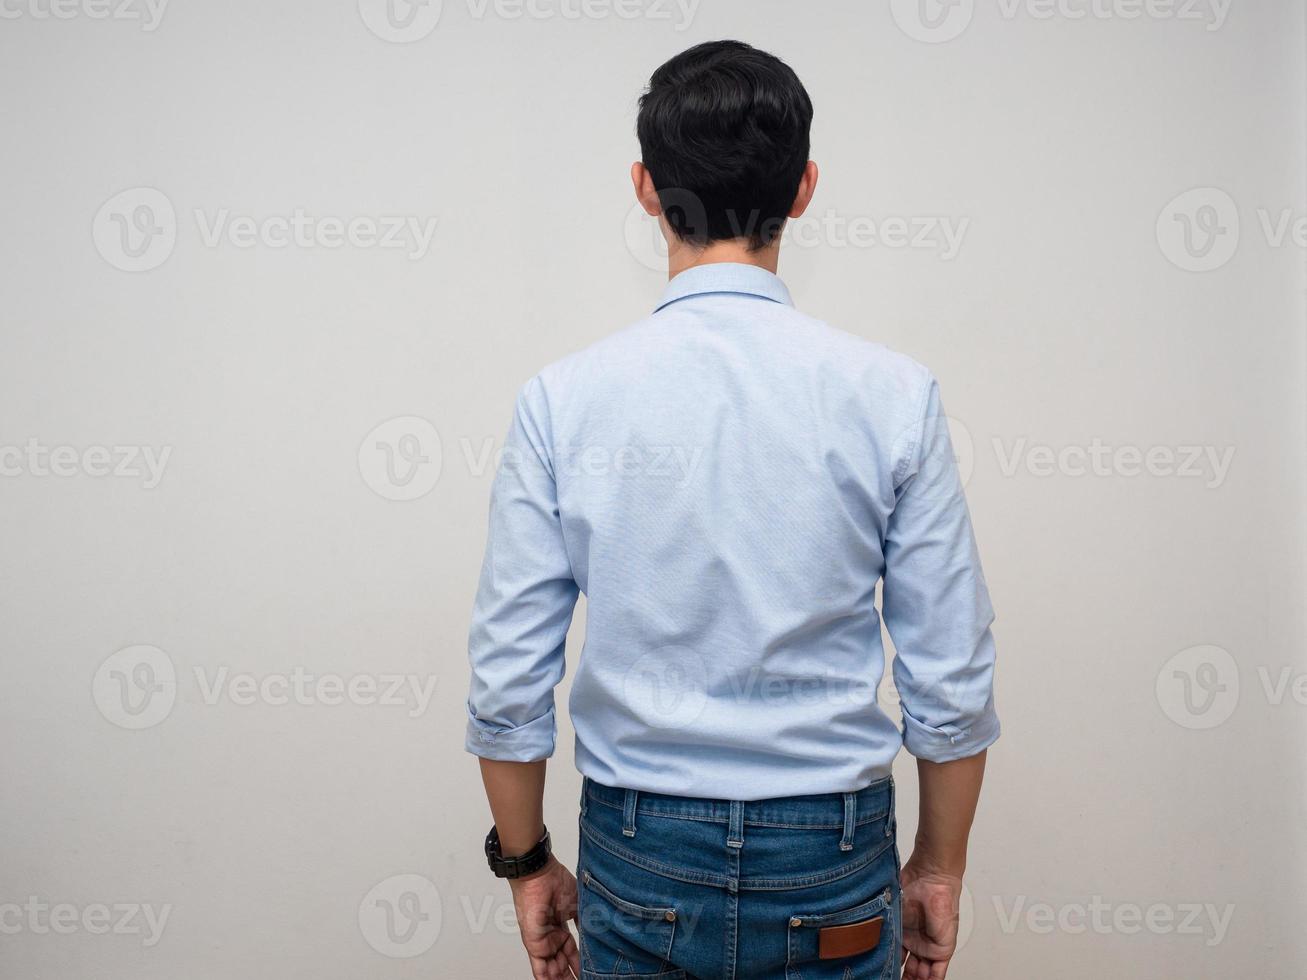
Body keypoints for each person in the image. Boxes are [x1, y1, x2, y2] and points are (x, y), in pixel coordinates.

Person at [466, 39, 999, 980]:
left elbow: (509, 678)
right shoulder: (892, 394)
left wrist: (527, 863)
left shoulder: (562, 398)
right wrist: (938, 870)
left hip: (640, 846)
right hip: (832, 856)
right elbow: (948, 676)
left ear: (644, 188)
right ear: (803, 189)